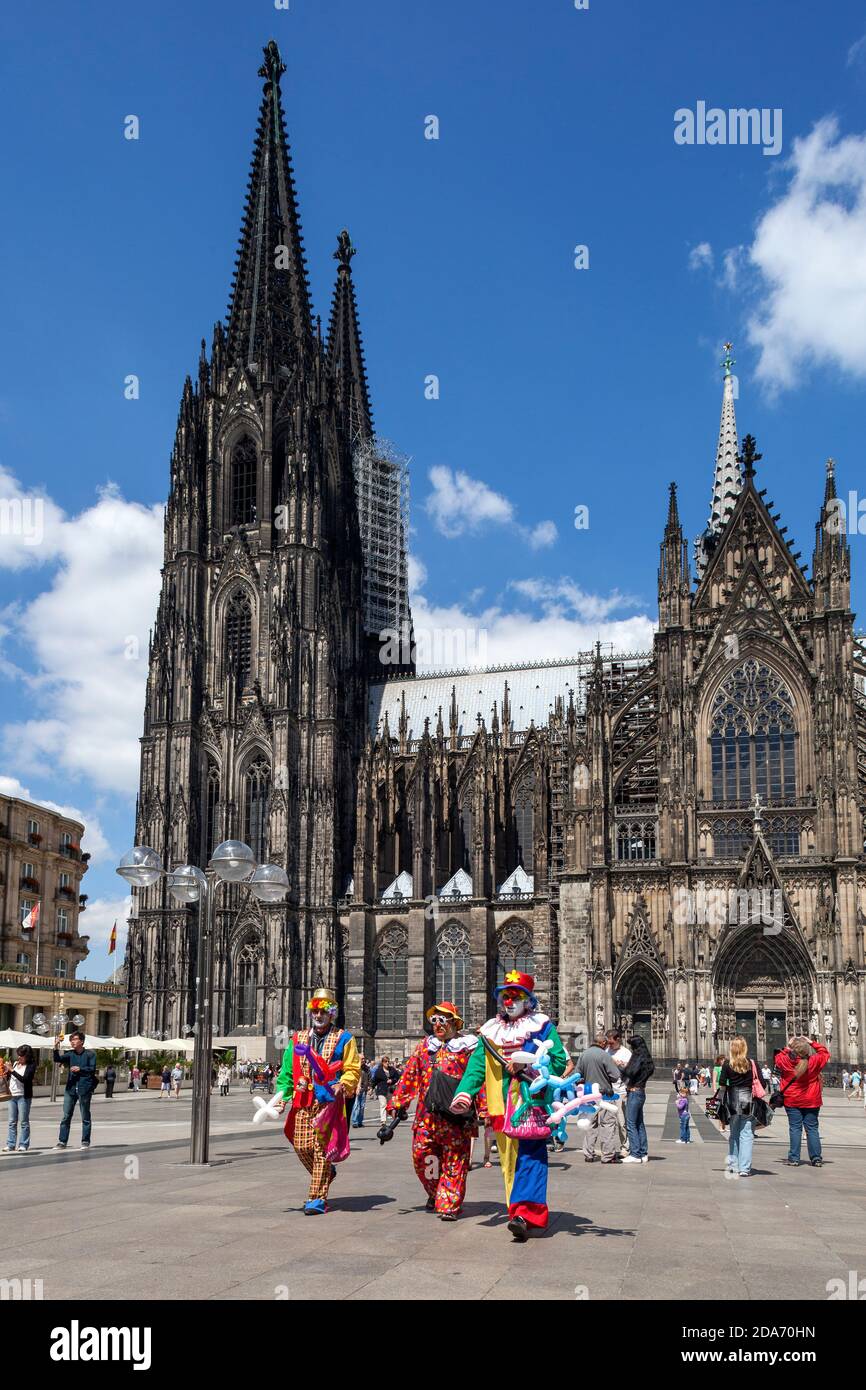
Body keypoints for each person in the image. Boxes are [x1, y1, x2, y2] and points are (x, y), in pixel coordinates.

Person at [451, 971, 567, 1241]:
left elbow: (559, 1062)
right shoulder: (490, 1030)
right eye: (505, 995)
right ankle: (515, 1209)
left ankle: (525, 1214)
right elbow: (477, 1065)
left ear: (528, 1000)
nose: (509, 1000)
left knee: (531, 1156)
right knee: (508, 1162)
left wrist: (528, 1063)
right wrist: (464, 1093)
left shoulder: (542, 1026)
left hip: (530, 1104)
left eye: (516, 995)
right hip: (501, 1105)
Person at [274, 988, 360, 1214]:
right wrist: (282, 1097)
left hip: (329, 1103)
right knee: (301, 1146)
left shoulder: (344, 1038)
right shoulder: (298, 1038)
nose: (318, 1016)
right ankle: (326, 1174)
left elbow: (352, 1068)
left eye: (323, 1011)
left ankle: (316, 1198)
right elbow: (287, 1072)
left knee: (321, 1149)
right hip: (303, 1100)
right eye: (315, 1011)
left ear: (332, 1013)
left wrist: (345, 1083)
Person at [390, 1001, 479, 1220]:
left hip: (455, 1117)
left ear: (454, 1023)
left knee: (454, 1160)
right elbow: (410, 1074)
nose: (437, 1024)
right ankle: (436, 1191)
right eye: (434, 1020)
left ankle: (449, 1203)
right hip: (425, 1116)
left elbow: (478, 1078)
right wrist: (398, 1102)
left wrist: (484, 1109)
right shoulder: (424, 1046)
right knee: (423, 1157)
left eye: (443, 1020)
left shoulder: (468, 1047)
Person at [774, 1035, 830, 1167]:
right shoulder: (815, 1061)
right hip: (812, 1100)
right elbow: (825, 1053)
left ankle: (794, 1158)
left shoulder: (785, 1061)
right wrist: (811, 1042)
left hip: (792, 1100)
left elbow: (777, 1057)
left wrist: (788, 1047)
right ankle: (816, 1158)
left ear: (793, 1050)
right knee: (812, 1129)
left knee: (795, 1128)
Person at [717, 1035, 761, 1178]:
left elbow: (722, 1083)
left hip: (733, 1103)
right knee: (747, 1135)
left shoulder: (727, 1064)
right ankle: (744, 1168)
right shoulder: (752, 1063)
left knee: (734, 1135)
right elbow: (763, 1083)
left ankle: (733, 1165)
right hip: (749, 1102)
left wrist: (720, 1101)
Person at [578, 1033, 623, 1165]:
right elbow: (615, 1076)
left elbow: (577, 1075)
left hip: (588, 1096)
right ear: (602, 1043)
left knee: (590, 1124)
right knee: (607, 1125)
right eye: (606, 1043)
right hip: (604, 1096)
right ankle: (608, 1156)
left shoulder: (584, 1054)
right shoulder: (605, 1055)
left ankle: (588, 1154)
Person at [53, 1030, 98, 1151]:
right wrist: (56, 1046)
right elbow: (57, 1059)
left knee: (85, 1116)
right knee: (66, 1116)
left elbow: (92, 1069)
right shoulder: (70, 1054)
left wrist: (80, 1069)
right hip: (71, 1088)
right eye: (71, 1040)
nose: (72, 1042)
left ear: (81, 1041)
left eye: (75, 1039)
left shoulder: (90, 1054)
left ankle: (85, 1141)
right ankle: (62, 1141)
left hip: (84, 1088)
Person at [620, 1034, 654, 1163]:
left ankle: (635, 1154)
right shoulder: (646, 1059)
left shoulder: (637, 1056)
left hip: (634, 1092)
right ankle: (643, 1153)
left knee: (631, 1123)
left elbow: (630, 1073)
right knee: (639, 1123)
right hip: (641, 1092)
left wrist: (620, 1065)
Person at [3, 1045, 37, 1153]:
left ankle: (23, 1144)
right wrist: (7, 1071)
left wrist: (12, 1070)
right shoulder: (15, 1064)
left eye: (21, 1056)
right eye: (18, 1055)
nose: (19, 1057)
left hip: (23, 1096)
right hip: (12, 1095)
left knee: (23, 1121)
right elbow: (10, 1078)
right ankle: (11, 1144)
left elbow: (25, 1079)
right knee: (12, 1121)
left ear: (27, 1056)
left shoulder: (31, 1065)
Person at [370, 1056, 399, 1126]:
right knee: (383, 1105)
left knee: (391, 1105)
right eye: (385, 1061)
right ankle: (383, 1121)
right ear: (382, 1063)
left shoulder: (392, 1069)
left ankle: (394, 1119)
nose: (387, 1063)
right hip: (381, 1090)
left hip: (390, 1090)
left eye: (388, 1061)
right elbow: (374, 1081)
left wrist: (392, 1080)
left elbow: (397, 1077)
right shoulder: (379, 1071)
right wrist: (371, 1088)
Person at [351, 1057, 370, 1127]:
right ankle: (354, 1121)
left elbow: (369, 1077)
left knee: (362, 1106)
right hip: (356, 1089)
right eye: (362, 1059)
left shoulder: (366, 1068)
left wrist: (370, 1086)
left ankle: (360, 1121)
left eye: (364, 1059)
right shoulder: (354, 1067)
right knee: (356, 1106)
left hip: (363, 1089)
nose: (363, 1060)